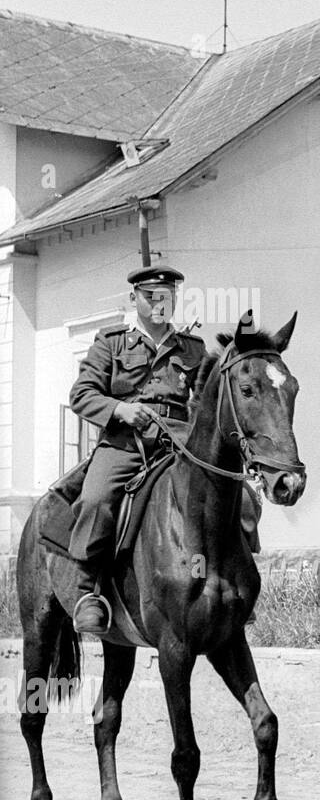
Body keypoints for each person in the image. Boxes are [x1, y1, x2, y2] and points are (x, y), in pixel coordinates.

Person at [66, 264, 206, 634]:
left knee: (233, 498)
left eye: (167, 296)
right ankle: (88, 592)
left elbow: (207, 402)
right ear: (134, 299)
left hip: (179, 442)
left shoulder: (192, 348)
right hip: (125, 443)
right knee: (96, 500)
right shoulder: (111, 342)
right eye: (150, 296)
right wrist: (120, 409)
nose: (159, 302)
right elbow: (81, 395)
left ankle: (228, 584)